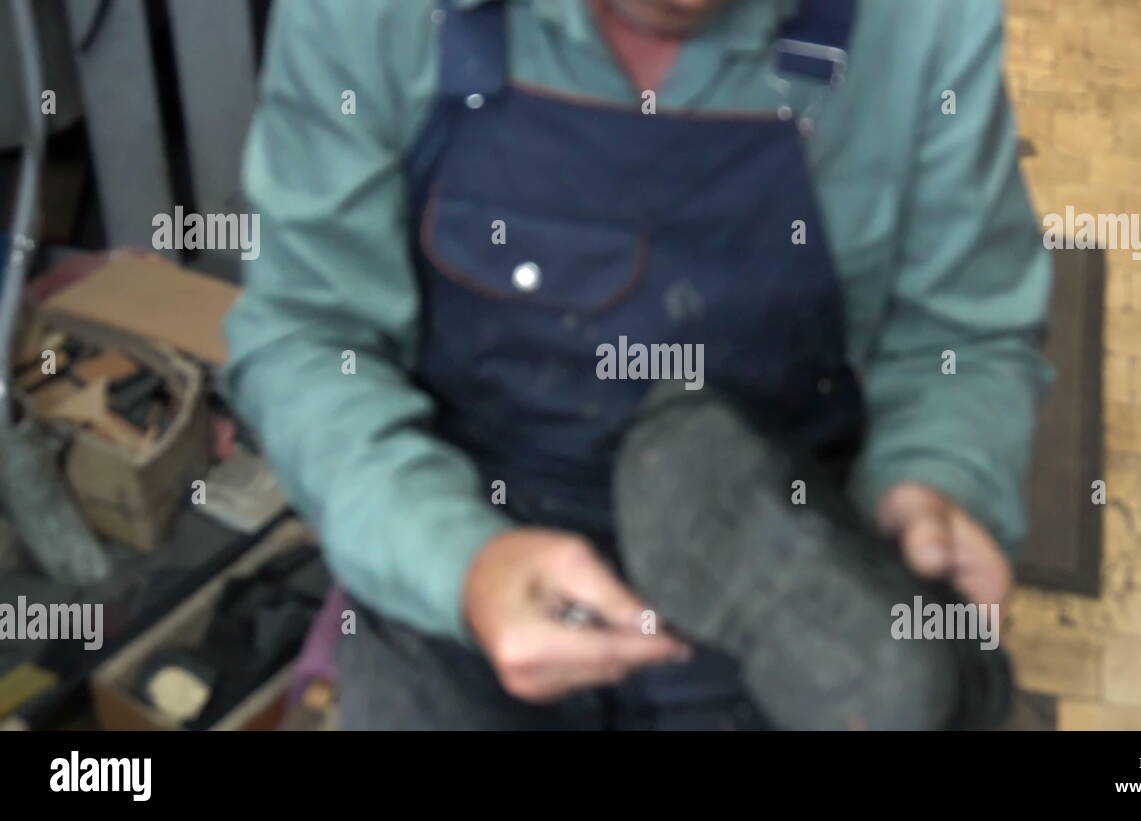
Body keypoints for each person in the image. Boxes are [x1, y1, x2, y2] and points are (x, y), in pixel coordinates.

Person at [225, 0, 1053, 730]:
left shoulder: (924, 22)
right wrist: (454, 562)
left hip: (786, 594)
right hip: (460, 594)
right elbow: (307, 332)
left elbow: (965, 336)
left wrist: (938, 474)